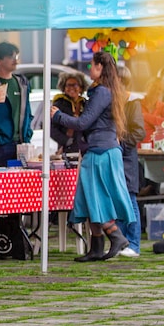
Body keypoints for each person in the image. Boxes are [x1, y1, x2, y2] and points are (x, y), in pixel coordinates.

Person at [51, 51, 137, 261]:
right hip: (100, 150)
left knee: (95, 198)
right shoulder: (108, 91)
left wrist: (58, 116)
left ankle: (116, 235)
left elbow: (83, 123)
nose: (89, 69)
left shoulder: (102, 92)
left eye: (91, 65)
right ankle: (96, 247)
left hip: (100, 153)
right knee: (88, 199)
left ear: (100, 67)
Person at [114, 65, 147, 257]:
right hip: (116, 156)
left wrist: (121, 142)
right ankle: (121, 242)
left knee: (130, 200)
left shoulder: (132, 102)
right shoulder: (111, 101)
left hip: (126, 158)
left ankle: (133, 244)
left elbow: (139, 132)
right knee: (118, 201)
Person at [51, 72, 90, 155]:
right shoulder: (59, 104)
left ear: (81, 88)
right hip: (67, 149)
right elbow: (51, 128)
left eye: (75, 85)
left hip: (84, 148)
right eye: (68, 85)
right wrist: (67, 141)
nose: (71, 88)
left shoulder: (85, 104)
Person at [141, 77, 164, 143]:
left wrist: (145, 116)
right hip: (140, 143)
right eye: (154, 86)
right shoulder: (137, 104)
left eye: (160, 89)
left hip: (157, 143)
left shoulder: (163, 106)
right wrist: (156, 121)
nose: (156, 91)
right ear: (147, 87)